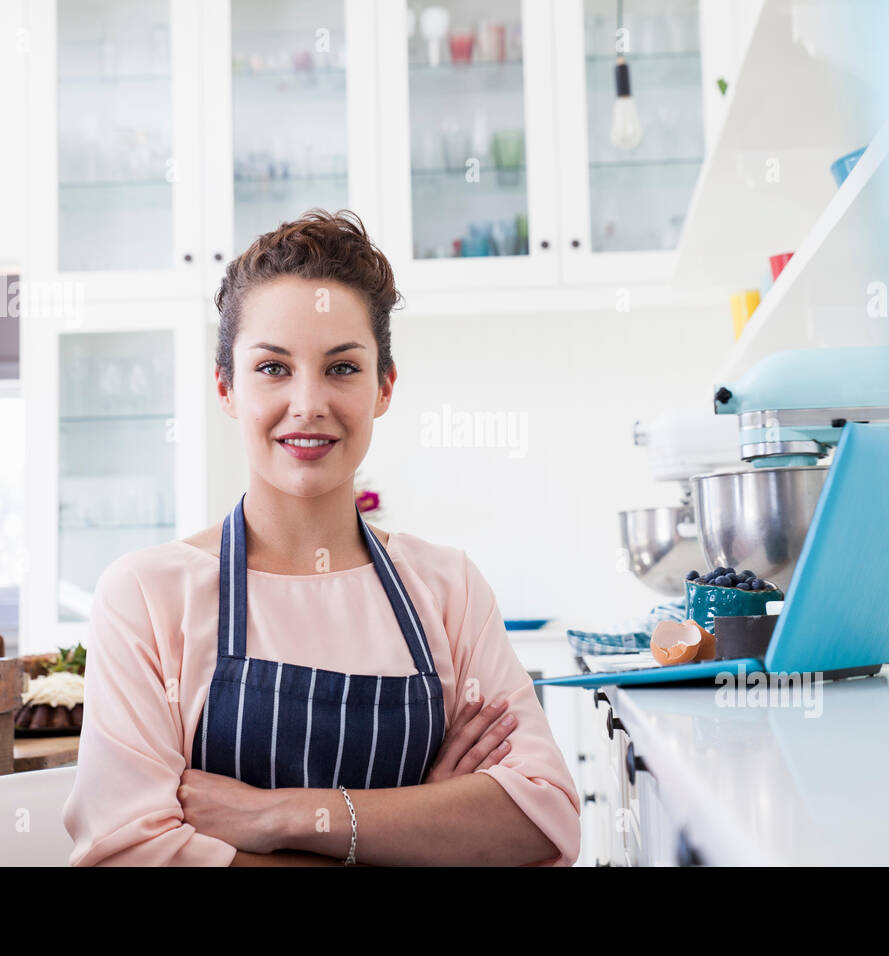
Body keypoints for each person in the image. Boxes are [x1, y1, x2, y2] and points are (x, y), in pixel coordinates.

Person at [62, 209, 581, 866]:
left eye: (341, 368)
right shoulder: (146, 595)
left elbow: (542, 823)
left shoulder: (449, 588)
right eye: (273, 369)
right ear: (226, 387)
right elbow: (123, 856)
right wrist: (421, 825)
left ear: (383, 386)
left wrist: (277, 816)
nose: (308, 404)